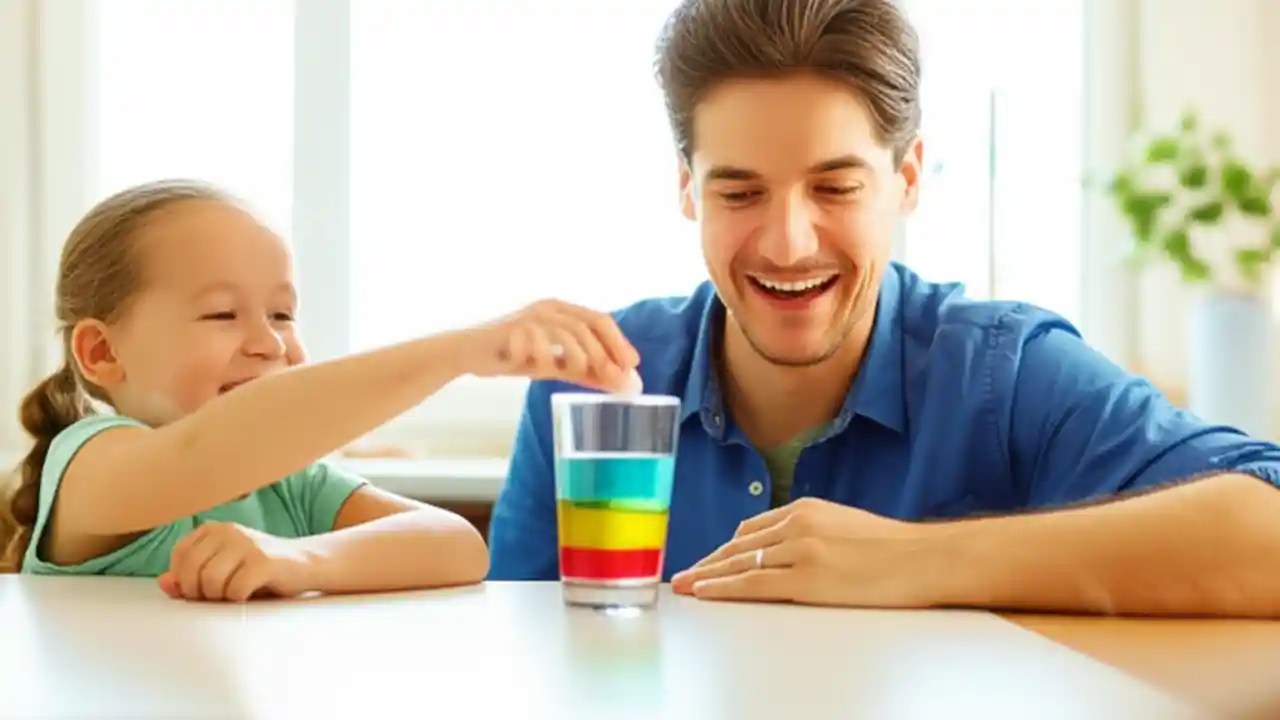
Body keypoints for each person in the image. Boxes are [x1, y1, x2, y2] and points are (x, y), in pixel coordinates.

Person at [487, 0, 1280, 617]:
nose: (789, 243)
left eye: (835, 187)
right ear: (687, 187)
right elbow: (517, 661)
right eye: (740, 190)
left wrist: (914, 561)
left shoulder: (1002, 376)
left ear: (907, 179)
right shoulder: (590, 390)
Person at [0, 179, 641, 603]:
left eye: (282, 314)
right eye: (222, 314)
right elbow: (206, 451)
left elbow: (455, 545)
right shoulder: (89, 465)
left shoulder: (290, 486)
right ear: (102, 351)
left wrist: (302, 561)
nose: (270, 344)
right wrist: (459, 351)